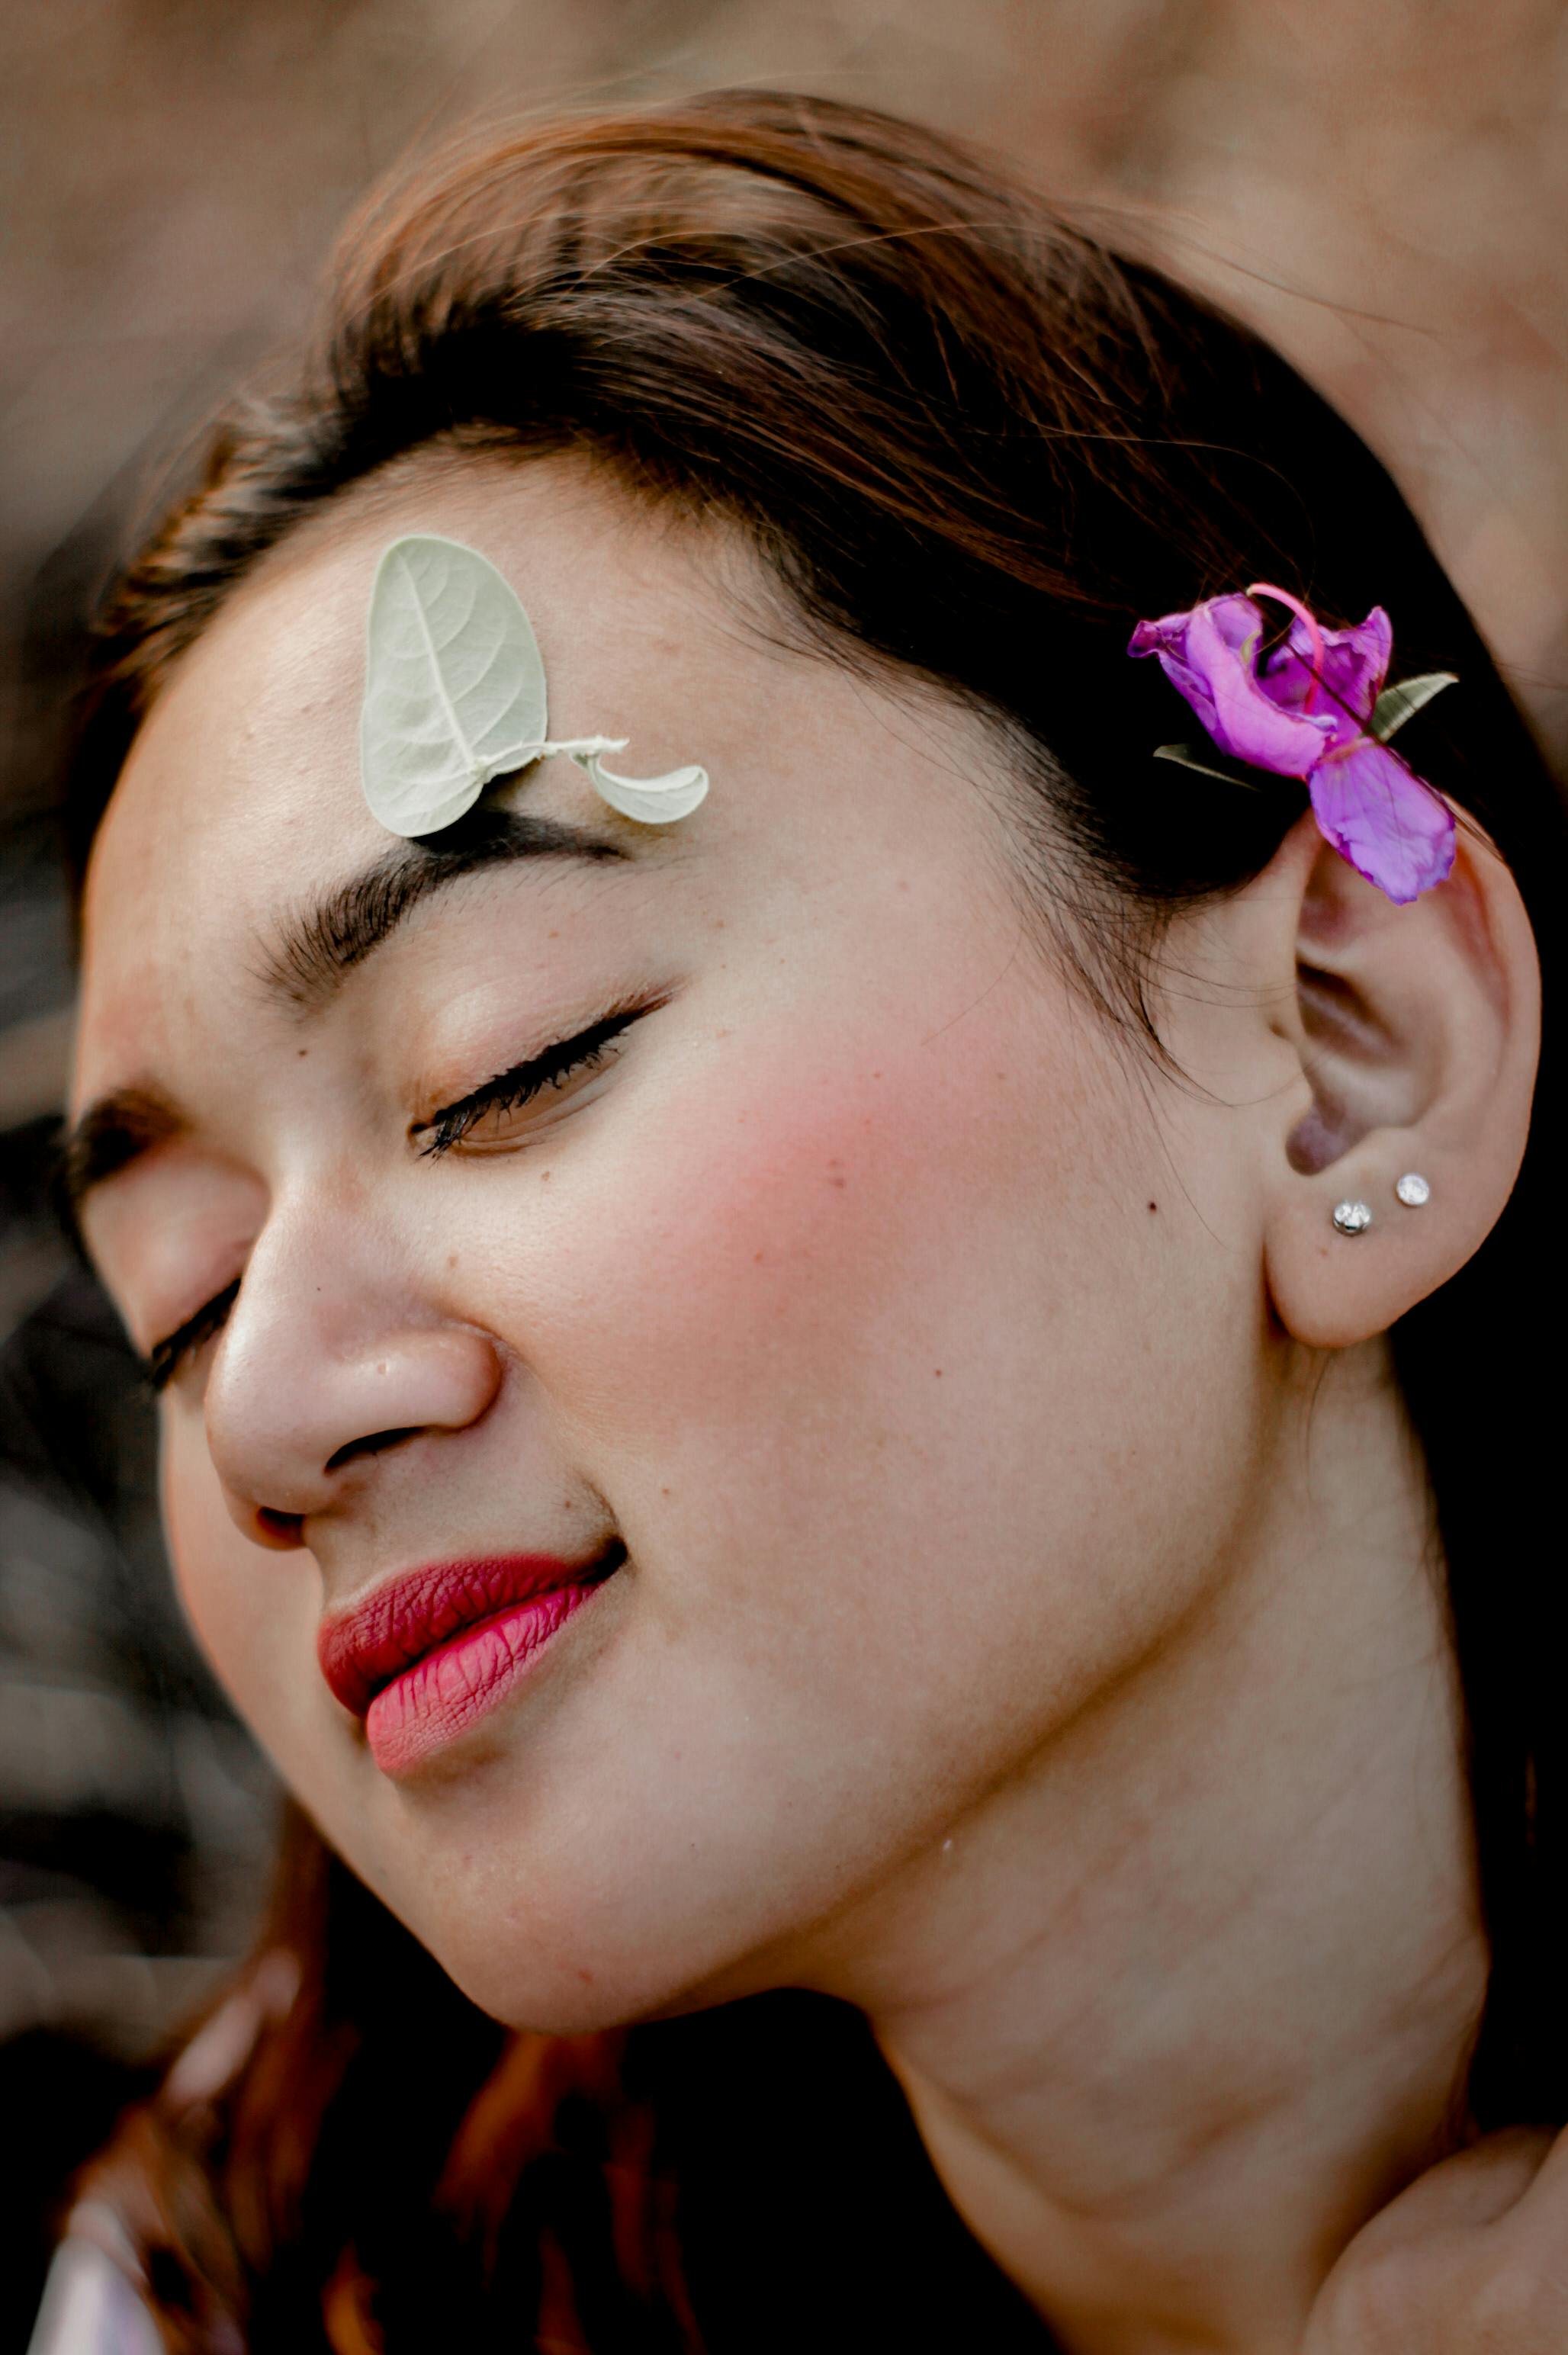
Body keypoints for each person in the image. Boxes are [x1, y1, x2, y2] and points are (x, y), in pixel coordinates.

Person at [31, 88, 1568, 2353]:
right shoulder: (257, 2280)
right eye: (180, 1295)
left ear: (1345, 1048)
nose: (260, 1409)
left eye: (505, 1063)